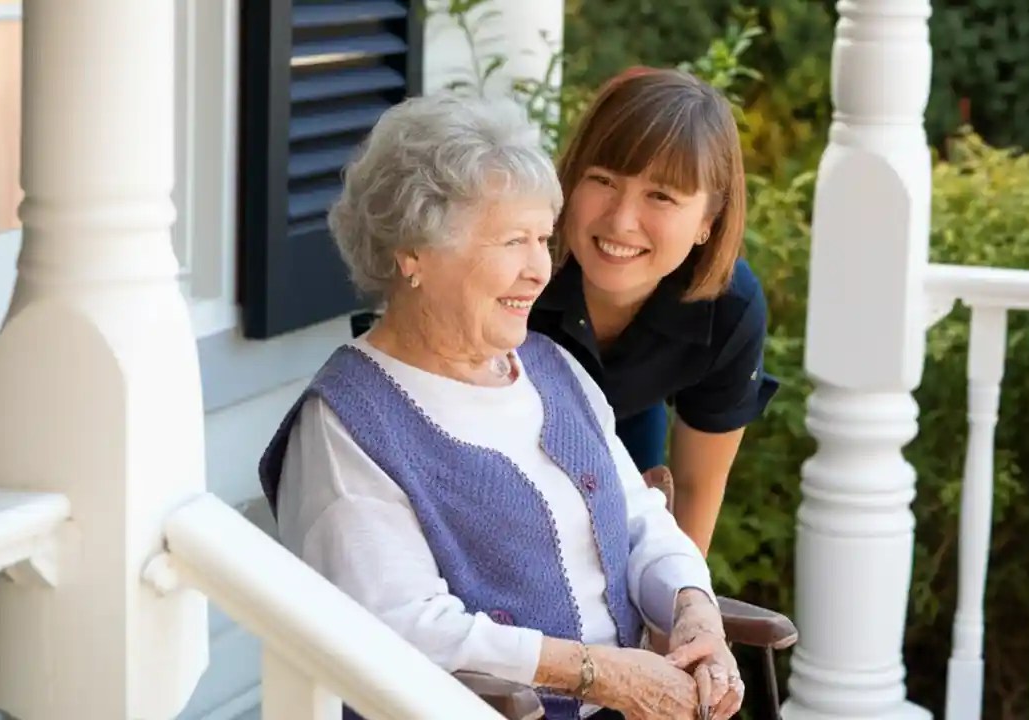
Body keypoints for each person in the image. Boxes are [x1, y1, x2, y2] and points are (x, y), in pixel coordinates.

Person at [258, 93, 744, 720]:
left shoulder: (552, 368)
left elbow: (641, 518)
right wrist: (597, 675)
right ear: (414, 253)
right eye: (513, 240)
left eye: (543, 237)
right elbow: (402, 629)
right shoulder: (346, 424)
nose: (541, 270)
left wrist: (691, 608)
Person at [528, 67, 779, 556]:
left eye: (661, 196)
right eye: (602, 180)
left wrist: (683, 608)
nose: (621, 221)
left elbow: (694, 491)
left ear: (708, 220)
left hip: (627, 432)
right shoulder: (517, 264)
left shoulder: (728, 308)